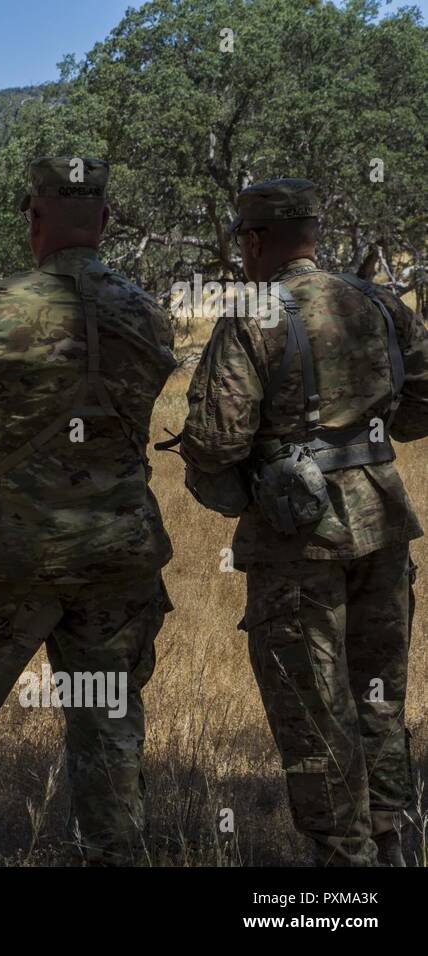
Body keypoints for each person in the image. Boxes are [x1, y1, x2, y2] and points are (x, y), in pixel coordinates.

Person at [0, 156, 177, 866]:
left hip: (7, 556)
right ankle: (116, 853)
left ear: (34, 219)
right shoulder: (148, 314)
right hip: (116, 554)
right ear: (103, 220)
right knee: (107, 721)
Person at [181, 178, 428, 866]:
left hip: (297, 544)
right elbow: (422, 405)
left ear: (256, 239)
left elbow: (216, 441)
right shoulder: (377, 303)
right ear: (313, 233)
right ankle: (391, 842)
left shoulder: (253, 315)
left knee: (314, 714)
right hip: (382, 525)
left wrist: (255, 482)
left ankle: (346, 872)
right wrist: (365, 435)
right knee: (378, 700)